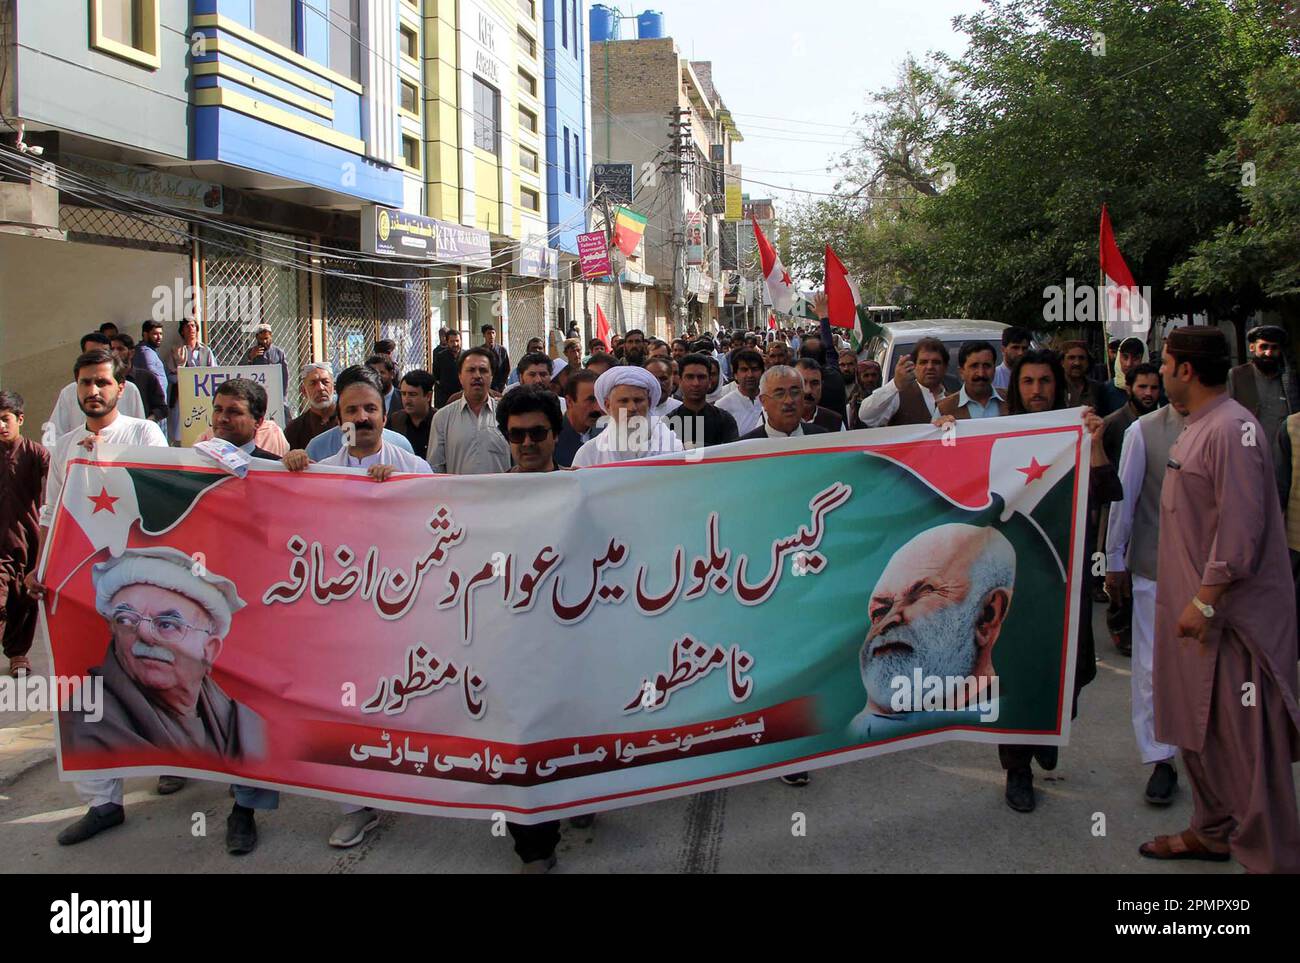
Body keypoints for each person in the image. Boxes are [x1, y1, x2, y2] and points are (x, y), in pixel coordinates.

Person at [1139, 326, 1300, 873]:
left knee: (1248, 750)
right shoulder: (1199, 424)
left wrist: (1205, 602)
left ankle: (1270, 857)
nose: (1158, 371)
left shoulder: (1233, 429)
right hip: (1193, 619)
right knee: (1197, 731)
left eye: (1164, 362)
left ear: (1186, 369)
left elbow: (1241, 530)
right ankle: (1212, 832)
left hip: (1230, 624)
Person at [25, 349, 169, 845]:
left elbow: (159, 494)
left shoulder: (143, 433)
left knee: (151, 675)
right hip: (81, 584)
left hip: (139, 577)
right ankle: (102, 801)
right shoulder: (65, 445)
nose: (93, 391)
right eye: (85, 383)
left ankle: (173, 761)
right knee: (84, 686)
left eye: (101, 382)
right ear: (75, 389)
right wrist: (41, 568)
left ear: (120, 386)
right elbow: (51, 513)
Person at [997, 349, 1121, 813]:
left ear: (1057, 386)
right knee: (1021, 677)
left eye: (1044, 382)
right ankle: (1018, 769)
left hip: (1068, 578)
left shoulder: (1078, 430)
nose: (1036, 390)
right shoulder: (998, 435)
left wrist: (1095, 445)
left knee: (1077, 669)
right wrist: (949, 437)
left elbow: (1111, 491)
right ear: (1017, 387)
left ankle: (1053, 724)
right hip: (1015, 580)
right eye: (1027, 382)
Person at [61, 546, 263, 762]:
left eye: (167, 624)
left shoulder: (242, 724)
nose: (144, 634)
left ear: (209, 649)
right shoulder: (91, 715)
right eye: (127, 620)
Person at [851, 523, 1015, 734]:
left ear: (987, 615)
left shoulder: (1014, 713)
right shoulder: (854, 733)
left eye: (923, 592)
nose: (889, 621)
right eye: (879, 612)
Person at [1105, 395, 1187, 807]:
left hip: (1217, 577)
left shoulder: (1236, 428)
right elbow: (1125, 497)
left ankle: (1217, 759)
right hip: (1155, 569)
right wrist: (1114, 559)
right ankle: (1161, 757)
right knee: (1153, 666)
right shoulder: (1145, 431)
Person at [0, 391, 47, 677]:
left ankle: (18, 654)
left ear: (19, 419)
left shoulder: (36, 453)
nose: (1, 426)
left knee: (22, 601)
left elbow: (60, 475)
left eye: (5, 420)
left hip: (27, 541)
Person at [572, 366, 684, 467]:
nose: (632, 408)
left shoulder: (673, 448)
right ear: (608, 405)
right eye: (623, 401)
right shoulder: (589, 454)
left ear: (649, 403)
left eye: (638, 400)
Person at [427, 346, 511, 475]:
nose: (477, 376)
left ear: (492, 376)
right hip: (458, 494)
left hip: (500, 494)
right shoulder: (442, 418)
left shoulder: (507, 414)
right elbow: (435, 468)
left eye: (483, 370)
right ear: (460, 377)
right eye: (471, 370)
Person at [50, 333, 147, 434]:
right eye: (93, 353)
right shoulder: (68, 393)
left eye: (104, 353)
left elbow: (139, 432)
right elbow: (56, 434)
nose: (93, 392)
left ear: (120, 389)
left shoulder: (130, 390)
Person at [1228, 324, 1298, 461]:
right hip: (1246, 458)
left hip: (1282, 461)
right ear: (1252, 348)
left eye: (1274, 348)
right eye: (1264, 347)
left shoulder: (1290, 381)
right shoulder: (1238, 376)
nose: (1269, 353)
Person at [859, 338, 950, 427]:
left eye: (936, 362)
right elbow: (865, 416)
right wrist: (895, 384)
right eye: (923, 362)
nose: (930, 367)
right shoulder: (898, 395)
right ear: (914, 366)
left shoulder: (956, 399)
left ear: (945, 367)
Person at [666, 353, 739, 450]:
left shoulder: (725, 420)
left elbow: (732, 455)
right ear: (680, 381)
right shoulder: (668, 423)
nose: (696, 383)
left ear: (709, 382)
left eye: (701, 377)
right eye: (690, 377)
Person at [738, 365, 831, 441]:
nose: (789, 401)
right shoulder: (746, 447)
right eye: (779, 394)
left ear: (803, 397)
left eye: (795, 393)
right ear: (763, 401)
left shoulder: (822, 438)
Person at [166, 318, 218, 442]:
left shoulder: (206, 351)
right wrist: (184, 377)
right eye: (187, 326)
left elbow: (214, 373)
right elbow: (170, 376)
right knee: (180, 431)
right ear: (182, 331)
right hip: (182, 395)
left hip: (202, 395)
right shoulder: (176, 352)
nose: (191, 329)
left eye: (193, 326)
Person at [1101, 363, 1161, 468]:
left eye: (1154, 388)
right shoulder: (1111, 424)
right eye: (1142, 387)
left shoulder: (1163, 422)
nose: (1148, 393)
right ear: (1129, 389)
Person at [208, 379, 282, 460]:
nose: (221, 419)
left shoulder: (275, 468)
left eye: (234, 412)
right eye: (218, 410)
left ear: (258, 422)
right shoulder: (196, 462)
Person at [936, 341, 1007, 420]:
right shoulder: (944, 409)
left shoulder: (1012, 400)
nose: (981, 373)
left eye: (987, 366)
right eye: (974, 366)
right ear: (961, 372)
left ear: (994, 369)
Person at [109, 333, 168, 423]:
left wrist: (146, 422)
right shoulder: (108, 380)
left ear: (131, 353)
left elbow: (162, 409)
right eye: (112, 349)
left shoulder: (147, 377)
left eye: (120, 349)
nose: (115, 353)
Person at [284, 363, 339, 450]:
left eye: (325, 382)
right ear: (304, 391)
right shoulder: (294, 429)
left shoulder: (348, 419)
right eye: (313, 383)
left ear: (334, 387)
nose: (320, 388)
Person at [556, 369, 603, 467]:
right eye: (591, 400)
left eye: (600, 399)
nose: (598, 408)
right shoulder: (552, 439)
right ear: (569, 401)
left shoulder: (607, 434)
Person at [242, 323, 290, 416]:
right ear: (256, 338)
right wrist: (250, 358)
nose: (264, 342)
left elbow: (285, 376)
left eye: (266, 338)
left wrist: (282, 396)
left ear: (271, 337)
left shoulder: (279, 353)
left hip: (275, 393)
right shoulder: (250, 352)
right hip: (256, 394)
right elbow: (241, 371)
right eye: (261, 339)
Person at [716, 348, 765, 436]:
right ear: (735, 375)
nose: (750, 375)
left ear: (762, 372)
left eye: (754, 369)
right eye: (744, 370)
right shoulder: (722, 406)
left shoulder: (771, 400)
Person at [386, 370, 435, 456]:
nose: (407, 400)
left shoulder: (440, 420)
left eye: (412, 394)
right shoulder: (395, 420)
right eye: (403, 394)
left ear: (428, 396)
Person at [794, 359, 845, 432]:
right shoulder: (777, 421)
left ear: (822, 386)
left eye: (814, 383)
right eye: (802, 382)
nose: (808, 390)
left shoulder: (835, 422)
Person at [132, 320, 169, 412]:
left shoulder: (150, 351)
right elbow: (153, 378)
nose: (159, 337)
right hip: (154, 406)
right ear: (145, 334)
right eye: (155, 334)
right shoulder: (145, 352)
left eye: (160, 334)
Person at [846, 358, 882, 430]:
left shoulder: (887, 400)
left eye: (874, 375)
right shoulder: (851, 406)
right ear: (859, 379)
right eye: (866, 376)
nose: (870, 379)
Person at [992, 326, 1031, 393]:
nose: (1020, 353)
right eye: (1015, 348)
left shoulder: (1034, 376)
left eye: (1024, 348)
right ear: (1003, 350)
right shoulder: (993, 377)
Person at [433, 330, 463, 409]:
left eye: (457, 341)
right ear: (447, 342)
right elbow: (436, 376)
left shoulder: (467, 356)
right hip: (445, 398)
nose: (455, 344)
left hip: (463, 396)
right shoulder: (440, 357)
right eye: (452, 341)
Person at [481, 324, 511, 392]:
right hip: (484, 386)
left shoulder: (502, 350)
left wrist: (503, 383)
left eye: (493, 333)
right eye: (488, 333)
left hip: (499, 386)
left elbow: (507, 368)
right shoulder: (480, 351)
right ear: (484, 335)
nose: (491, 336)